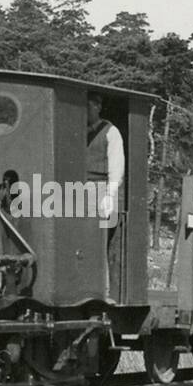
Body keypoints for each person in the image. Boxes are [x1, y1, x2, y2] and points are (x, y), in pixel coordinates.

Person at [86, 92, 125, 301]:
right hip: (78, 192)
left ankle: (105, 292)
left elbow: (116, 167)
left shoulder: (111, 132)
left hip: (102, 192)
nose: (86, 111)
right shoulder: (78, 132)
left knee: (99, 243)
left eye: (90, 106)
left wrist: (110, 195)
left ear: (98, 106)